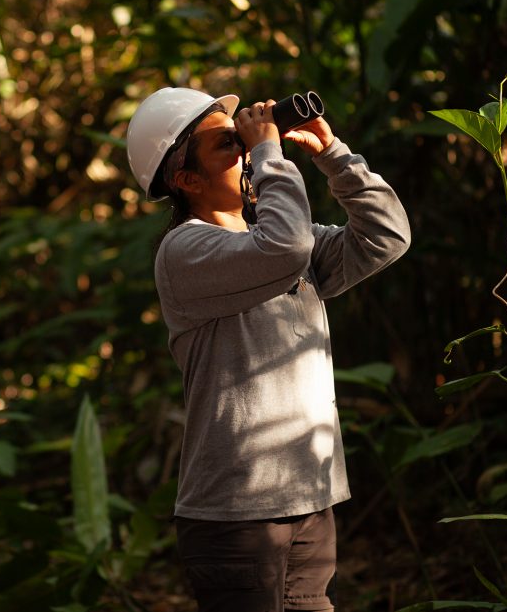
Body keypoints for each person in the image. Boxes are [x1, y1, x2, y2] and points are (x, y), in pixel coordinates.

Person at [125, 87, 410, 611]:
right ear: (185, 180)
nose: (248, 149)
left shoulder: (277, 242)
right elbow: (283, 248)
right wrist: (269, 154)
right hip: (236, 516)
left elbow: (386, 237)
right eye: (227, 146)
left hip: (309, 500)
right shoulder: (185, 250)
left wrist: (333, 154)